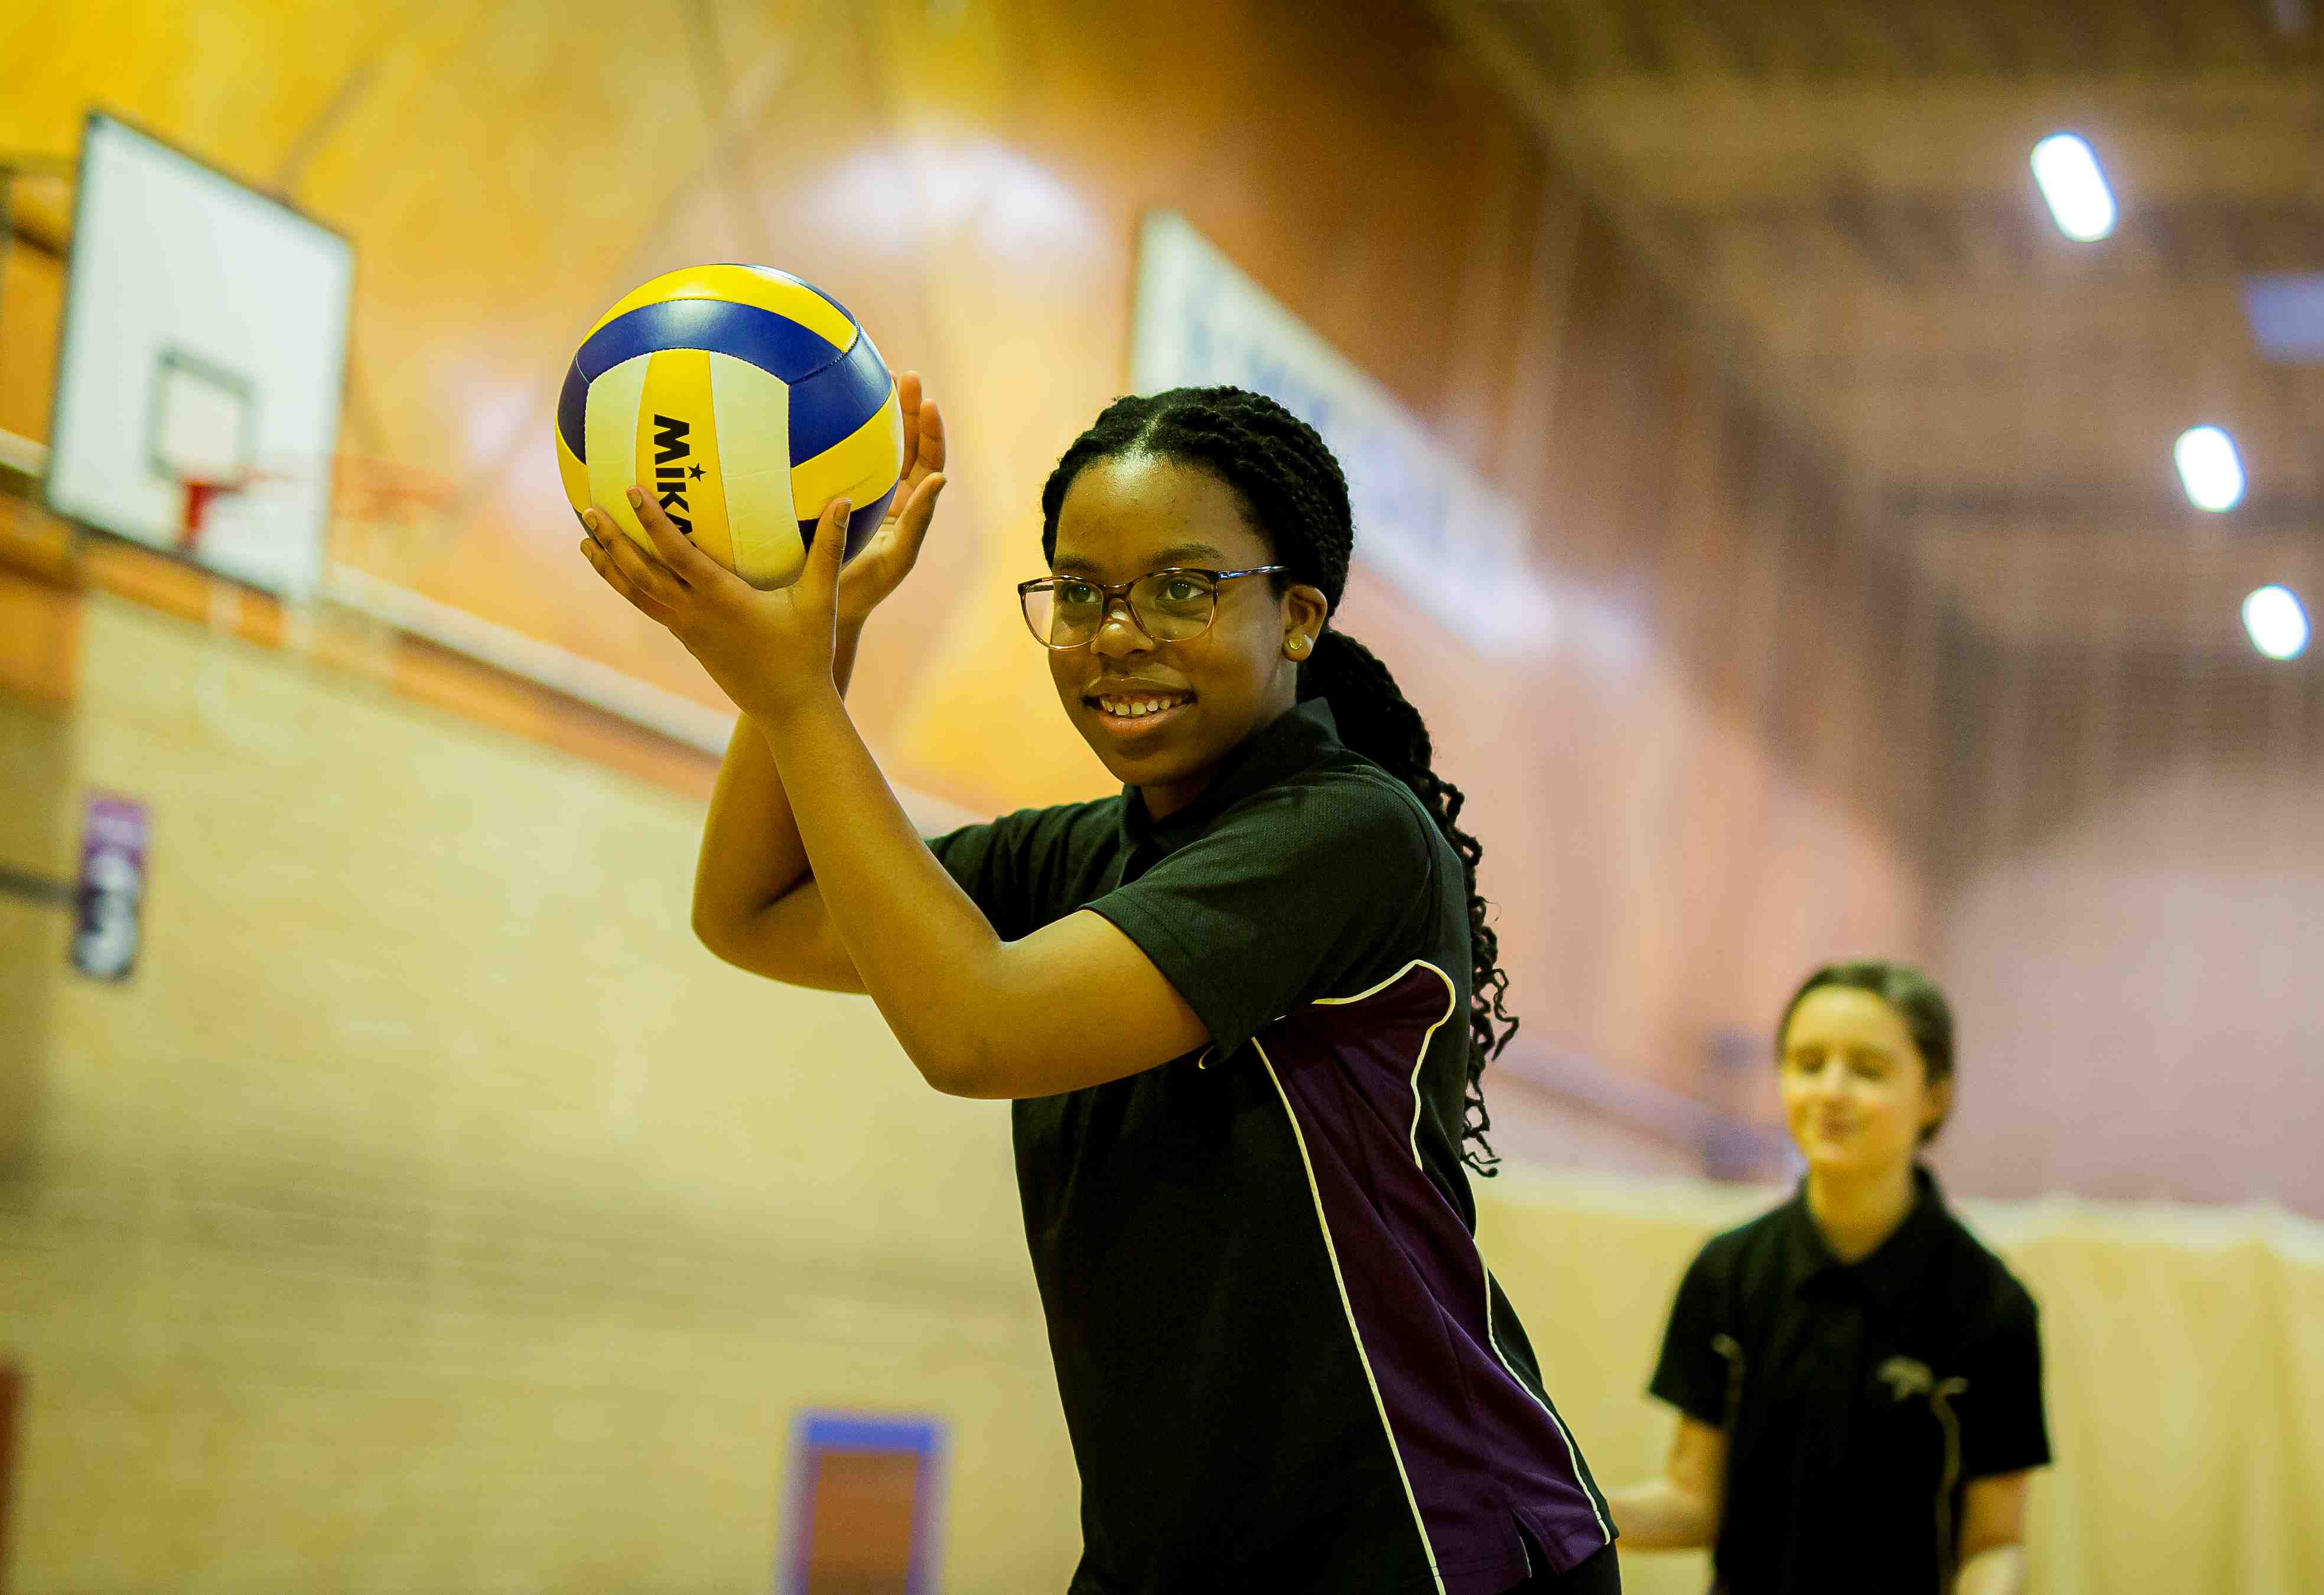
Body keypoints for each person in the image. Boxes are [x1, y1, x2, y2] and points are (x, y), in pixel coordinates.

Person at [578, 378, 1619, 1594]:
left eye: (1183, 587)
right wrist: (832, 633)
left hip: (1429, 1546)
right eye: (1079, 592)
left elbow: (978, 1032)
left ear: (1295, 617)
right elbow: (751, 913)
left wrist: (795, 694)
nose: (1117, 632)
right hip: (1165, 1556)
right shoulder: (1073, 856)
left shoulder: (1348, 837)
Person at [1607, 961, 2050, 1594]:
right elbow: (1692, 1503)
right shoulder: (1726, 1271)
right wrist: (1553, 1512)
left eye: (1868, 1070)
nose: (1831, 1091)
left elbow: (1994, 1542)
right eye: (1808, 1063)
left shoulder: (1993, 1306)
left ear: (1936, 1096)